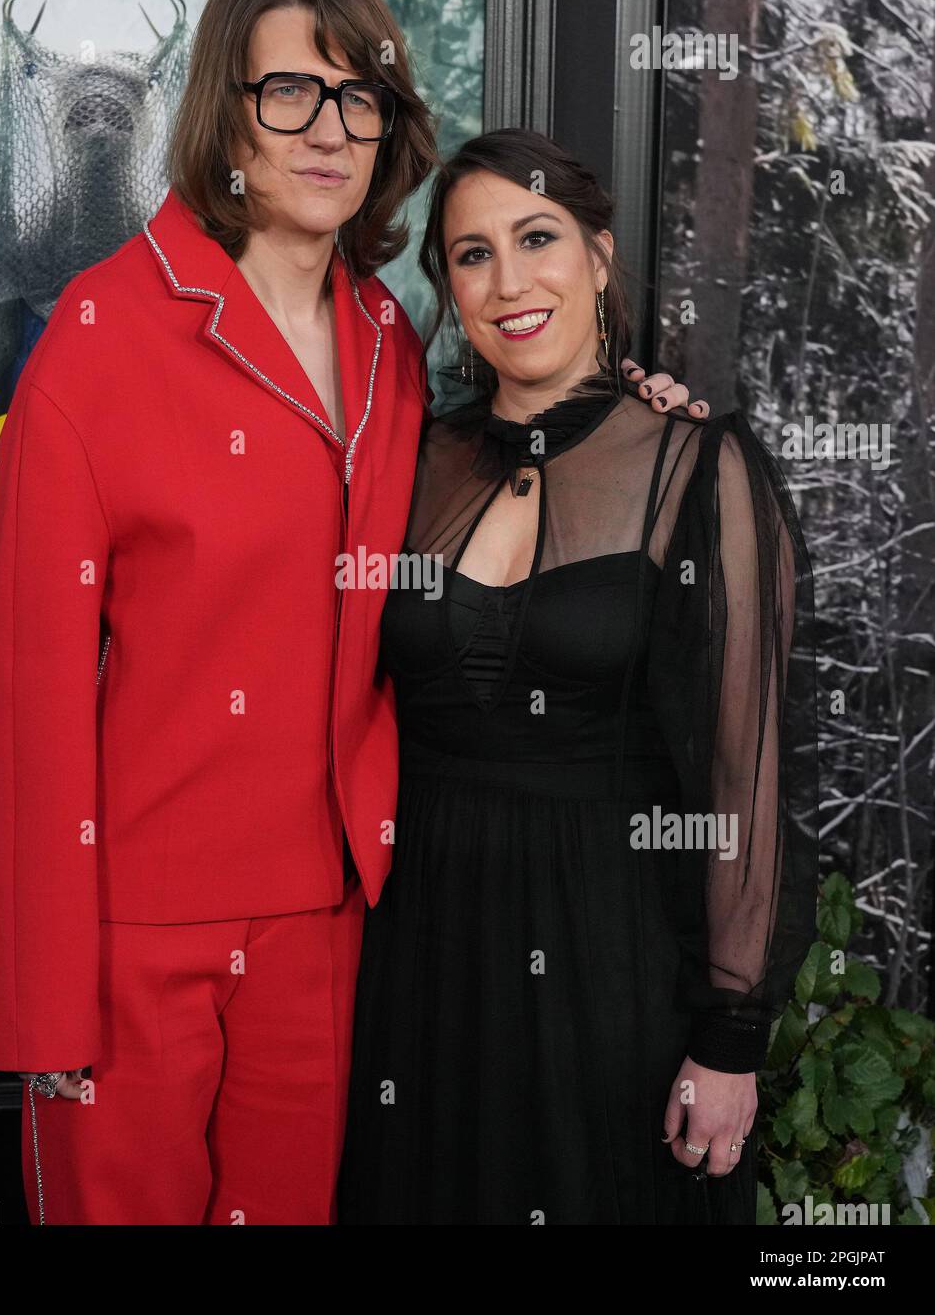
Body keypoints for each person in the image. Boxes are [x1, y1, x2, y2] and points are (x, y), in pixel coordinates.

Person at [0, 0, 702, 1226]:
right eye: (288, 94)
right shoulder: (98, 336)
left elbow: (515, 454)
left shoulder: (388, 348)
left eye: (357, 96)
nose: (328, 128)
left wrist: (632, 410)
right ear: (225, 119)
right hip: (132, 934)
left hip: (327, 928)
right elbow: (24, 692)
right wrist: (41, 997)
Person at [337, 129, 819, 1225]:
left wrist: (727, 1035)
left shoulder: (698, 466)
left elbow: (744, 771)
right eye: (470, 254)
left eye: (536, 237)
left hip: (611, 963)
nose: (508, 282)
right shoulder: (404, 459)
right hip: (417, 962)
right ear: (447, 288)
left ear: (598, 254)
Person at [0, 0, 189, 596]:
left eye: (117, 118)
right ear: (56, 136)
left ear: (140, 136)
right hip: (32, 527)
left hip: (147, 544)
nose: (100, 132)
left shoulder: (176, 267)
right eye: (82, 117)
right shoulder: (9, 267)